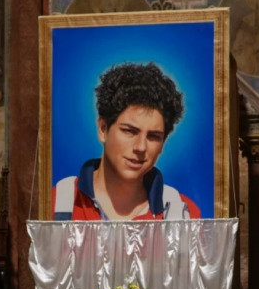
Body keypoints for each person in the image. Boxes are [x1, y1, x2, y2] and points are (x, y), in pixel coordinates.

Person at [53, 62, 201, 221]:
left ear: (163, 143)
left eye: (153, 136)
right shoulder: (57, 204)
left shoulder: (183, 214)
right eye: (129, 131)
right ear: (103, 129)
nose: (141, 147)